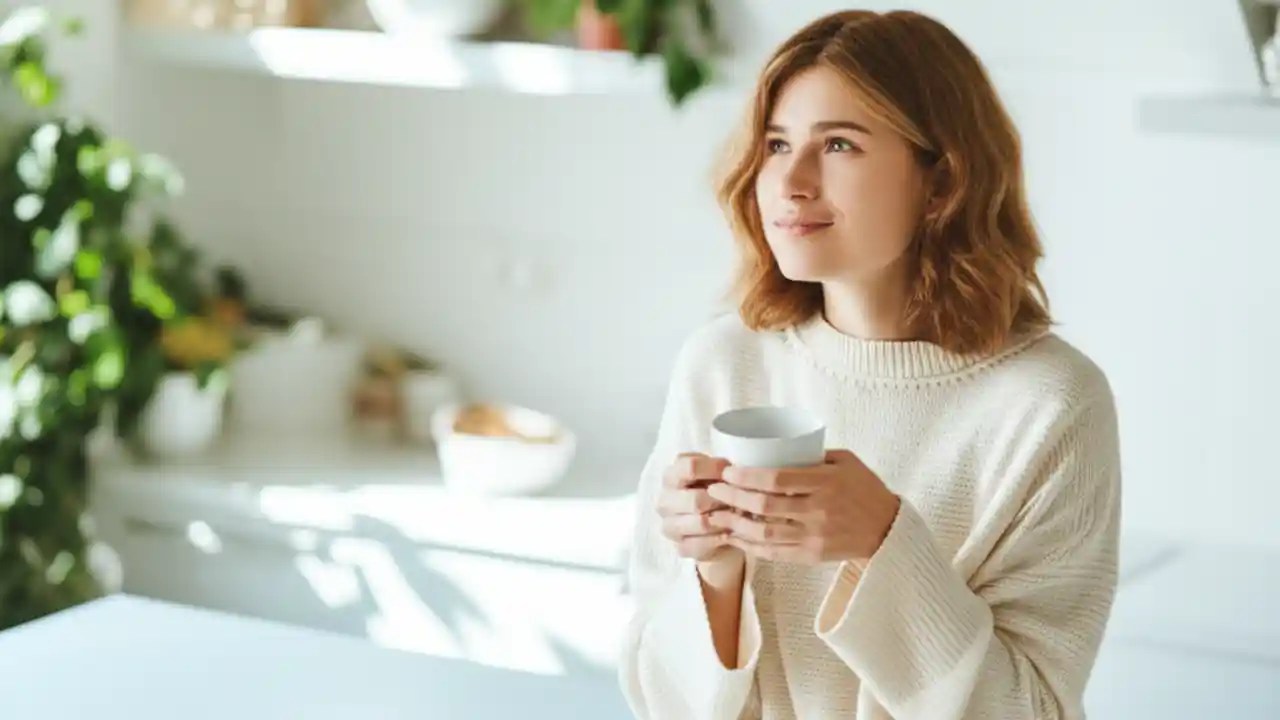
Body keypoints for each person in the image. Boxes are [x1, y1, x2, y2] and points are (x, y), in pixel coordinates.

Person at [618, 9, 1121, 720]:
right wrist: (715, 576)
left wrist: (885, 544)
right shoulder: (723, 364)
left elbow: (1033, 709)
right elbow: (658, 701)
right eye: (776, 143)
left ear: (942, 181)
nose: (790, 181)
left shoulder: (1050, 404)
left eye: (840, 145)